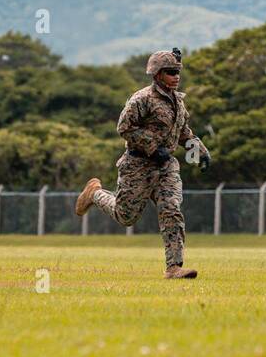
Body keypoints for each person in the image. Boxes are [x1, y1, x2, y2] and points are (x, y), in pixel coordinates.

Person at [75, 48, 211, 279]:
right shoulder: (142, 99)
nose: (176, 76)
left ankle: (174, 267)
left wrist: (200, 151)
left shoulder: (178, 102)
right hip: (137, 166)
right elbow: (124, 128)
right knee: (125, 216)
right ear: (157, 74)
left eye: (178, 71)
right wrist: (151, 146)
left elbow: (183, 131)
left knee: (171, 208)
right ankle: (95, 194)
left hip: (166, 167)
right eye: (170, 72)